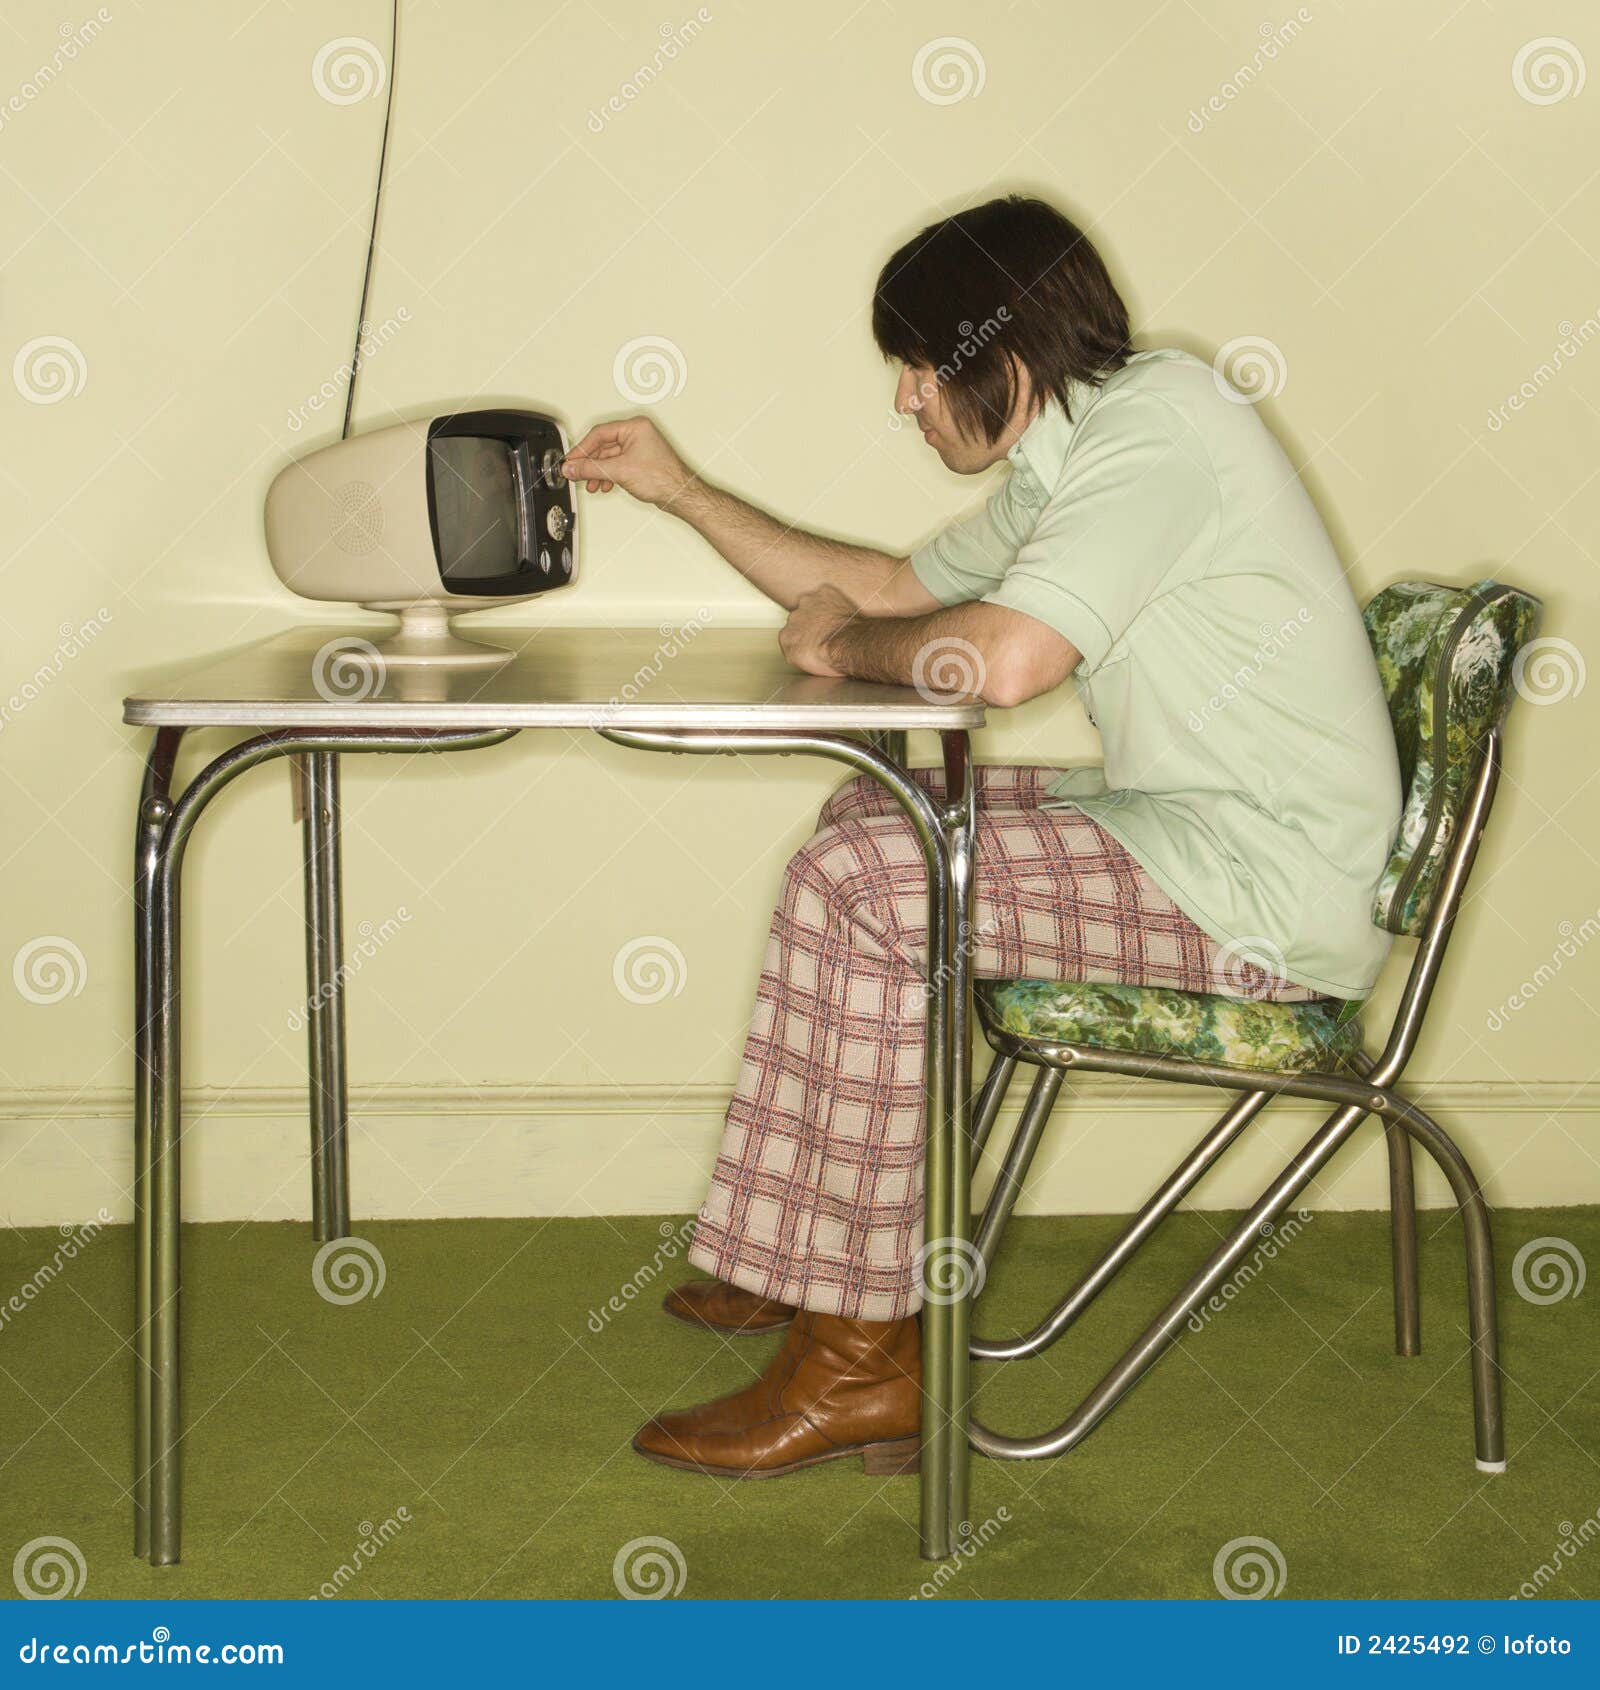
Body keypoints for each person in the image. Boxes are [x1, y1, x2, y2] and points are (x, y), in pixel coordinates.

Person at [561, 194, 1401, 1481]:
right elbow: (903, 589)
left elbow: (1001, 663)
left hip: (1262, 896)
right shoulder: (1084, 445)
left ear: (998, 361)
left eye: (916, 366)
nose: (904, 399)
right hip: (1205, 836)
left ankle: (862, 1361)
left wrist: (841, 649)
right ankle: (819, 1267)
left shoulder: (1159, 430)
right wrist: (680, 493)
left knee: (865, 877)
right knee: (869, 819)